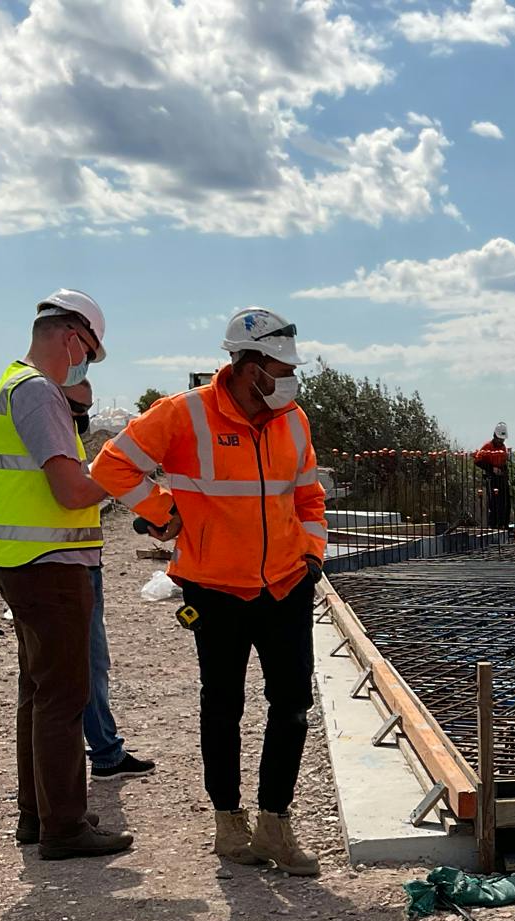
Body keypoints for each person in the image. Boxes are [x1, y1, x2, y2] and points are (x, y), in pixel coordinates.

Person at [90, 308, 327, 875]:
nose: (289, 377)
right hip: (215, 588)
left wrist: (313, 555)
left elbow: (309, 496)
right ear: (248, 367)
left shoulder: (292, 419)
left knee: (291, 706)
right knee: (222, 706)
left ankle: (275, 824)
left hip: (286, 584)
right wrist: (162, 511)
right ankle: (228, 823)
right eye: (279, 366)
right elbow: (111, 466)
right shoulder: (184, 414)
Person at [0, 288, 133, 860]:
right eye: (89, 350)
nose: (86, 362)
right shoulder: (39, 393)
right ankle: (64, 828)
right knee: (64, 696)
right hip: (50, 564)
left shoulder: (9, 384)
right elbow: (70, 490)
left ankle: (39, 814)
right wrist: (122, 470)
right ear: (73, 337)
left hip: (21, 559)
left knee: (39, 690)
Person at [61, 380, 156, 784]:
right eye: (79, 408)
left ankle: (103, 750)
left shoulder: (66, 439)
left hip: (76, 559)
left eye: (88, 408)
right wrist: (118, 476)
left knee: (87, 664)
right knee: (85, 665)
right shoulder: (52, 439)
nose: (84, 416)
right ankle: (101, 754)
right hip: (64, 563)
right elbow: (77, 493)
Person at [474, 421, 511, 528]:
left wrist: (504, 472)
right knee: (495, 504)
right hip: (492, 478)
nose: (501, 441)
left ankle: (504, 525)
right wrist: (491, 469)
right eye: (500, 439)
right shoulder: (487, 446)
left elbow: (503, 463)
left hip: (502, 479)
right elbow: (477, 461)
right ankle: (494, 526)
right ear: (495, 436)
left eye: (503, 439)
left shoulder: (503, 448)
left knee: (506, 503)